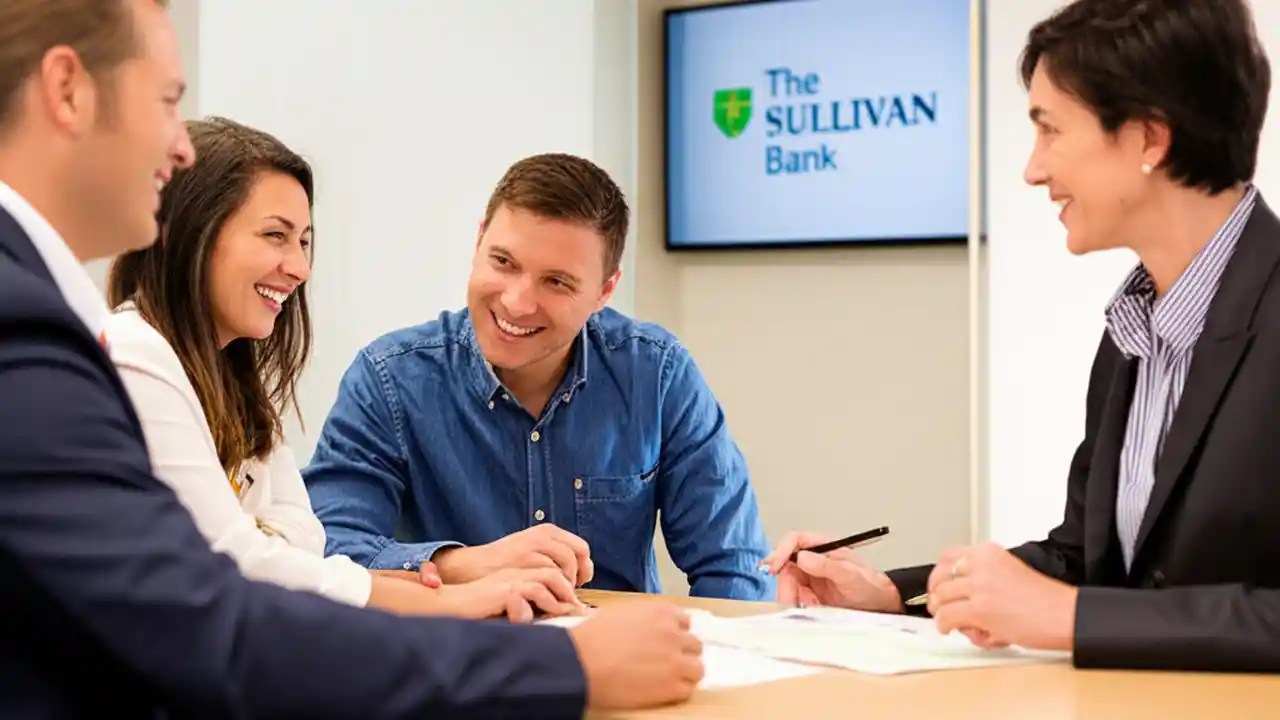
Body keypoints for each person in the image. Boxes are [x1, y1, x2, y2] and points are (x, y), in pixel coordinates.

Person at [0, 0, 702, 715]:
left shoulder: (214, 378)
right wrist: (550, 658)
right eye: (168, 101)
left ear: (605, 291)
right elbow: (221, 603)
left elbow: (295, 562)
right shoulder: (52, 335)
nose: (182, 147)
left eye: (304, 241)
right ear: (67, 89)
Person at [766, 0, 1280, 672]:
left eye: (1051, 131)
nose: (1032, 170)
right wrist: (896, 593)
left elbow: (1090, 605)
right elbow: (1086, 562)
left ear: (1149, 139)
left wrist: (1067, 617)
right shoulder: (1136, 326)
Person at [106, 116, 581, 622]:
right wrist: (448, 597)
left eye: (304, 242)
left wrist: (286, 562)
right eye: (275, 236)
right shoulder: (135, 359)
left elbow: (303, 545)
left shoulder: (230, 382)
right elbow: (234, 564)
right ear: (191, 233)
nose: (299, 267)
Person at [304, 153, 774, 600]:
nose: (516, 302)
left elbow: (733, 566)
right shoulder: (389, 379)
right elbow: (326, 550)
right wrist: (465, 565)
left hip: (621, 666)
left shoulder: (658, 374)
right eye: (503, 262)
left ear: (604, 291)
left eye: (557, 282)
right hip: (453, 666)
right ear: (478, 241)